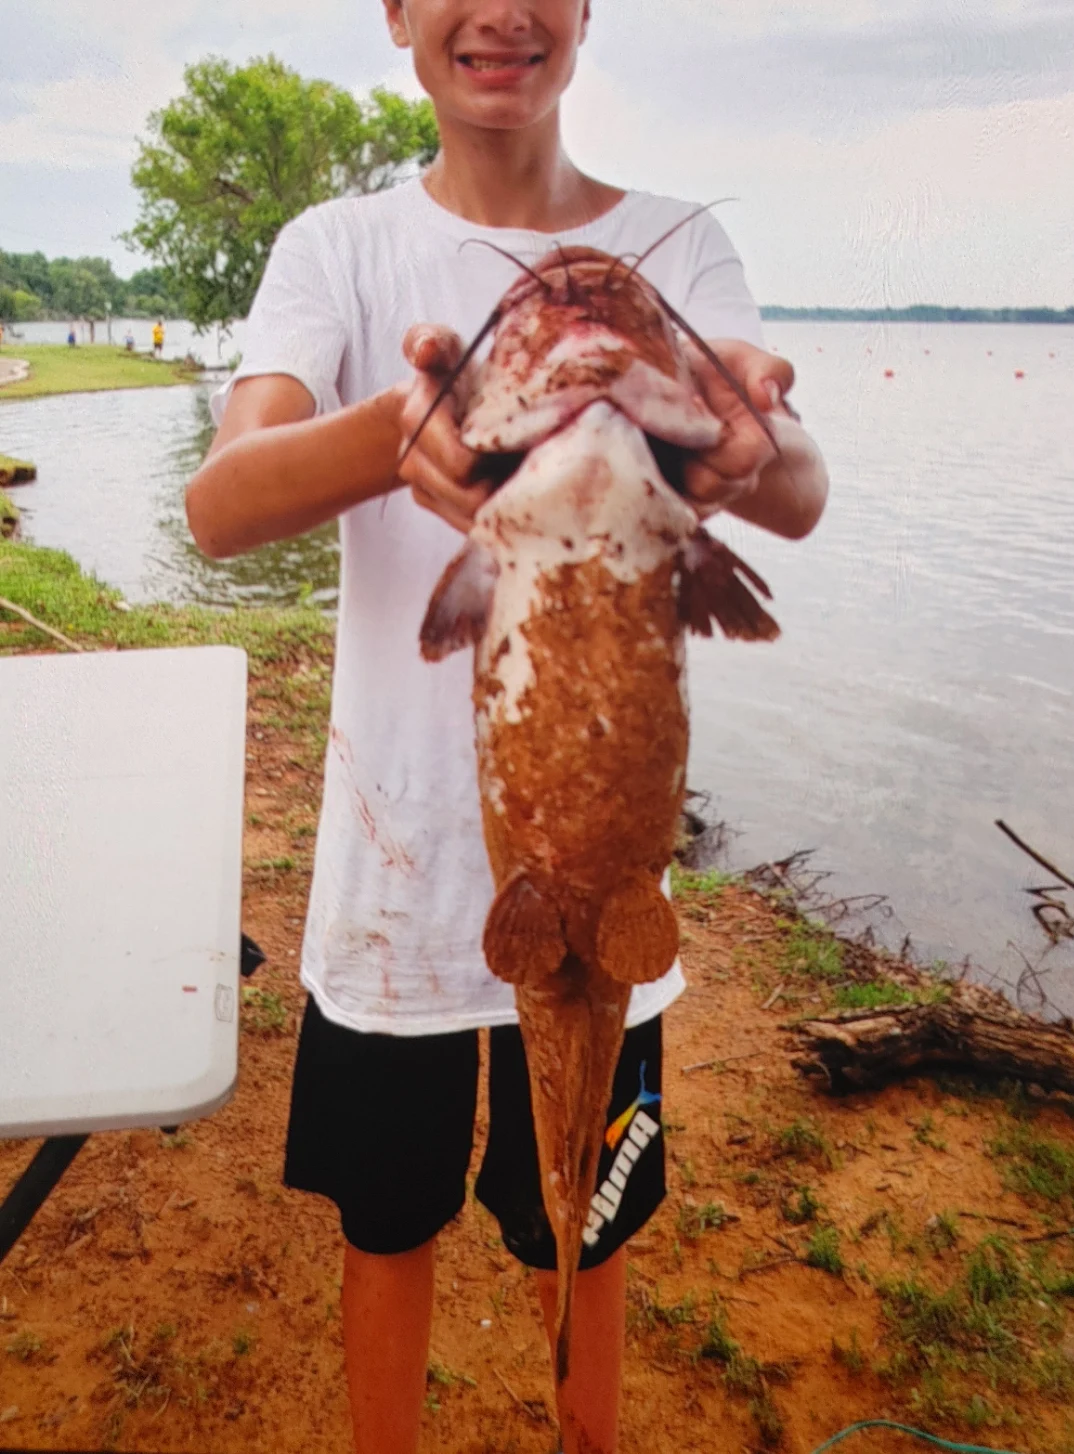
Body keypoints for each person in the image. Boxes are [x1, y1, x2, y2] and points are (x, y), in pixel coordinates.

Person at [184, 4, 829, 1452]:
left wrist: (757, 439)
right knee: (387, 1227)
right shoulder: (336, 251)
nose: (500, 11)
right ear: (398, 14)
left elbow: (793, 484)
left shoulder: (681, 243)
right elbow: (220, 507)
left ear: (589, 9)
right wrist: (398, 431)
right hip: (392, 894)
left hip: (606, 896)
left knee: (584, 1239)